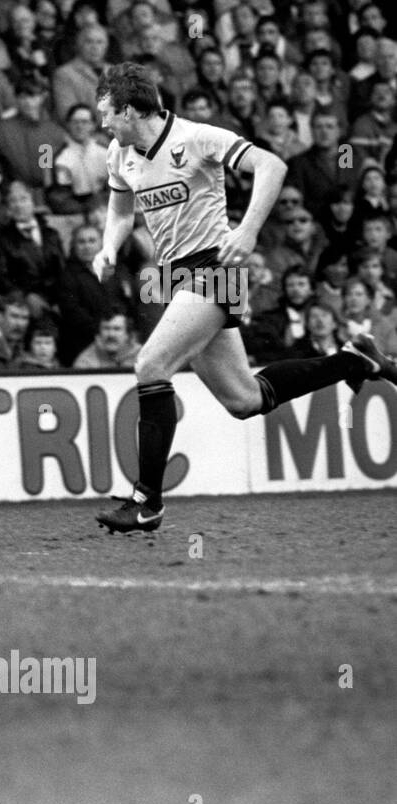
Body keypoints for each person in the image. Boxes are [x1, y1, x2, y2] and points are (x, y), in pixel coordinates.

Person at [90, 63, 397, 534]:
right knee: (244, 399)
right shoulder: (120, 153)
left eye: (108, 112)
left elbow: (272, 165)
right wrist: (110, 247)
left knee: (150, 365)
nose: (103, 122)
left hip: (216, 266)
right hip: (176, 275)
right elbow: (120, 211)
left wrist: (249, 231)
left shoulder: (195, 138)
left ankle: (146, 500)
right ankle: (355, 361)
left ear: (130, 110)